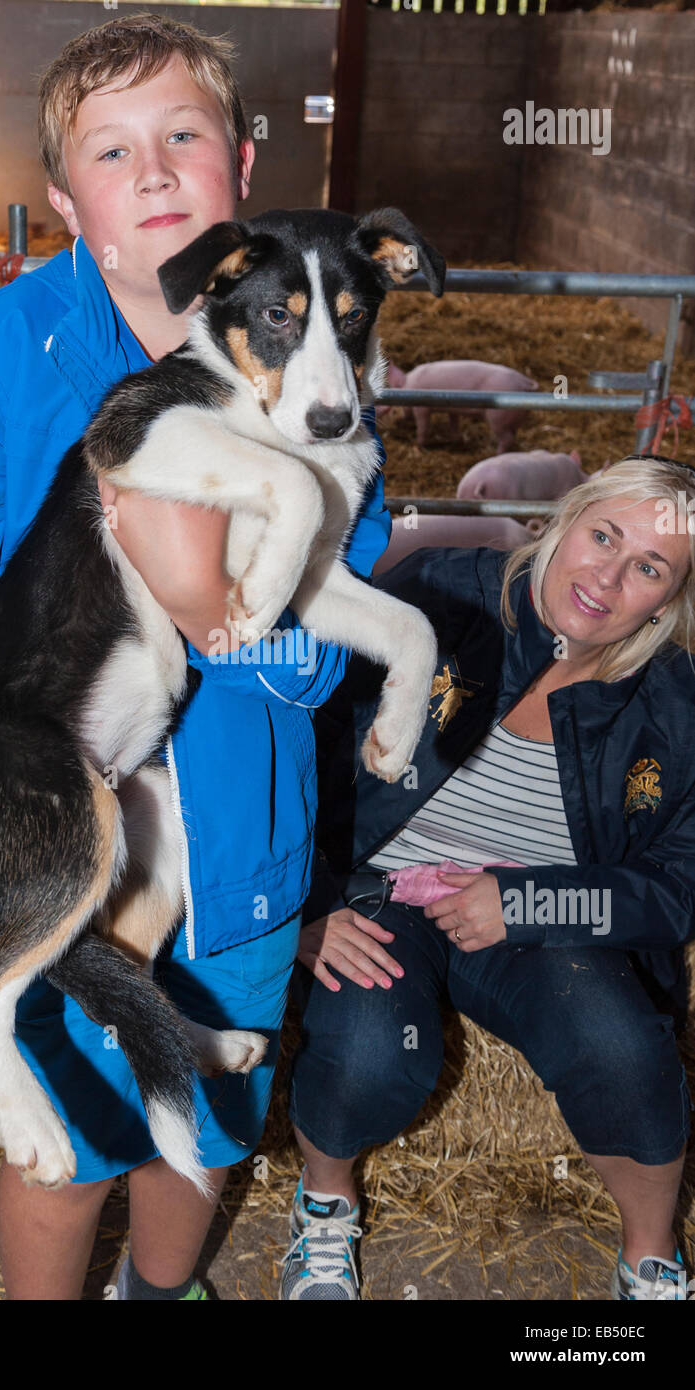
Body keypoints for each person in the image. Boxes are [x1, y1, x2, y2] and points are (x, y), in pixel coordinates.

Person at [0, 15, 391, 1299]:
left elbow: (328, 641)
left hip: (244, 822)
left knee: (205, 1115)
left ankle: (161, 1286)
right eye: (111, 149)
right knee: (72, 1136)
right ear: (62, 197)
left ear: (241, 165)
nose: (152, 171)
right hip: (59, 787)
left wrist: (214, 618)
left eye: (182, 135)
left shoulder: (321, 362)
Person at [281, 455, 695, 1302]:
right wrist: (309, 902)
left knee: (625, 1053)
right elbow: (292, 742)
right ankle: (324, 1205)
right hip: (379, 892)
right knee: (369, 1053)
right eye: (602, 535)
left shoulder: (673, 704)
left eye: (648, 567)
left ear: (672, 598)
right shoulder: (439, 594)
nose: (607, 576)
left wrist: (529, 901)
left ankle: (651, 1259)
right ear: (560, 519)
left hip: (535, 916)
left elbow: (679, 885)